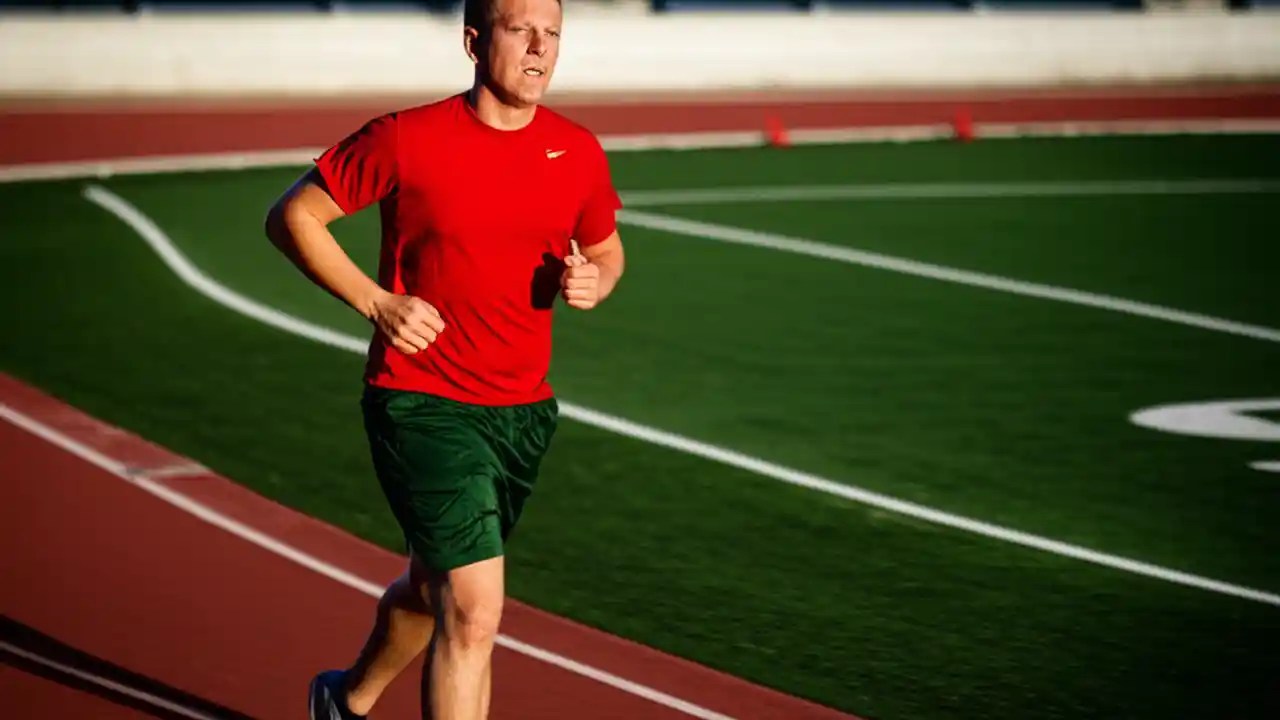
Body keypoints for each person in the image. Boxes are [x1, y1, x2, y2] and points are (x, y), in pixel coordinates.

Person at [262, 0, 625, 716]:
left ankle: (347, 699)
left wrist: (596, 280)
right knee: (474, 608)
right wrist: (377, 302)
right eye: (520, 29)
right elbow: (292, 216)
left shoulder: (576, 150)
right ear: (473, 40)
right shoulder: (407, 137)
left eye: (552, 34)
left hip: (521, 410)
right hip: (420, 399)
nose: (539, 49)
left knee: (436, 588)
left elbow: (608, 251)